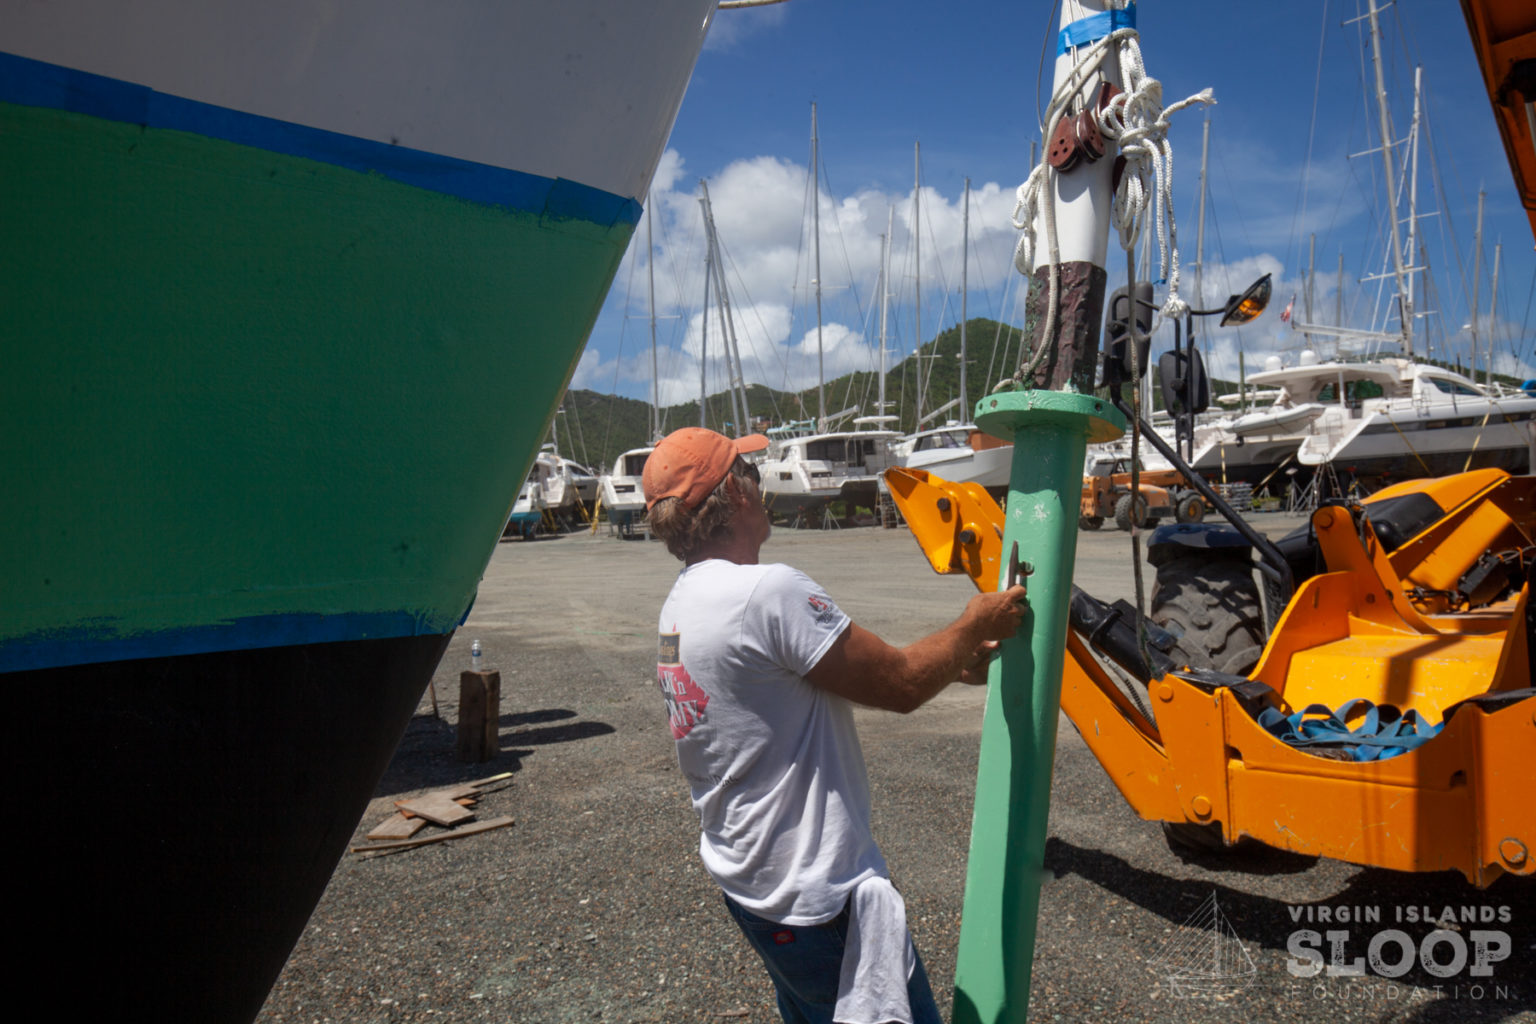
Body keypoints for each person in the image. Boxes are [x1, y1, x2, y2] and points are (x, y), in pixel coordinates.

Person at [641, 426, 1027, 1024]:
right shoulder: (767, 592)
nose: (761, 482)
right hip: (817, 897)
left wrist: (951, 665)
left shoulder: (681, 605)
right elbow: (898, 684)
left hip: (751, 882)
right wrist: (975, 622)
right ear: (736, 495)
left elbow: (818, 685)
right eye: (751, 472)